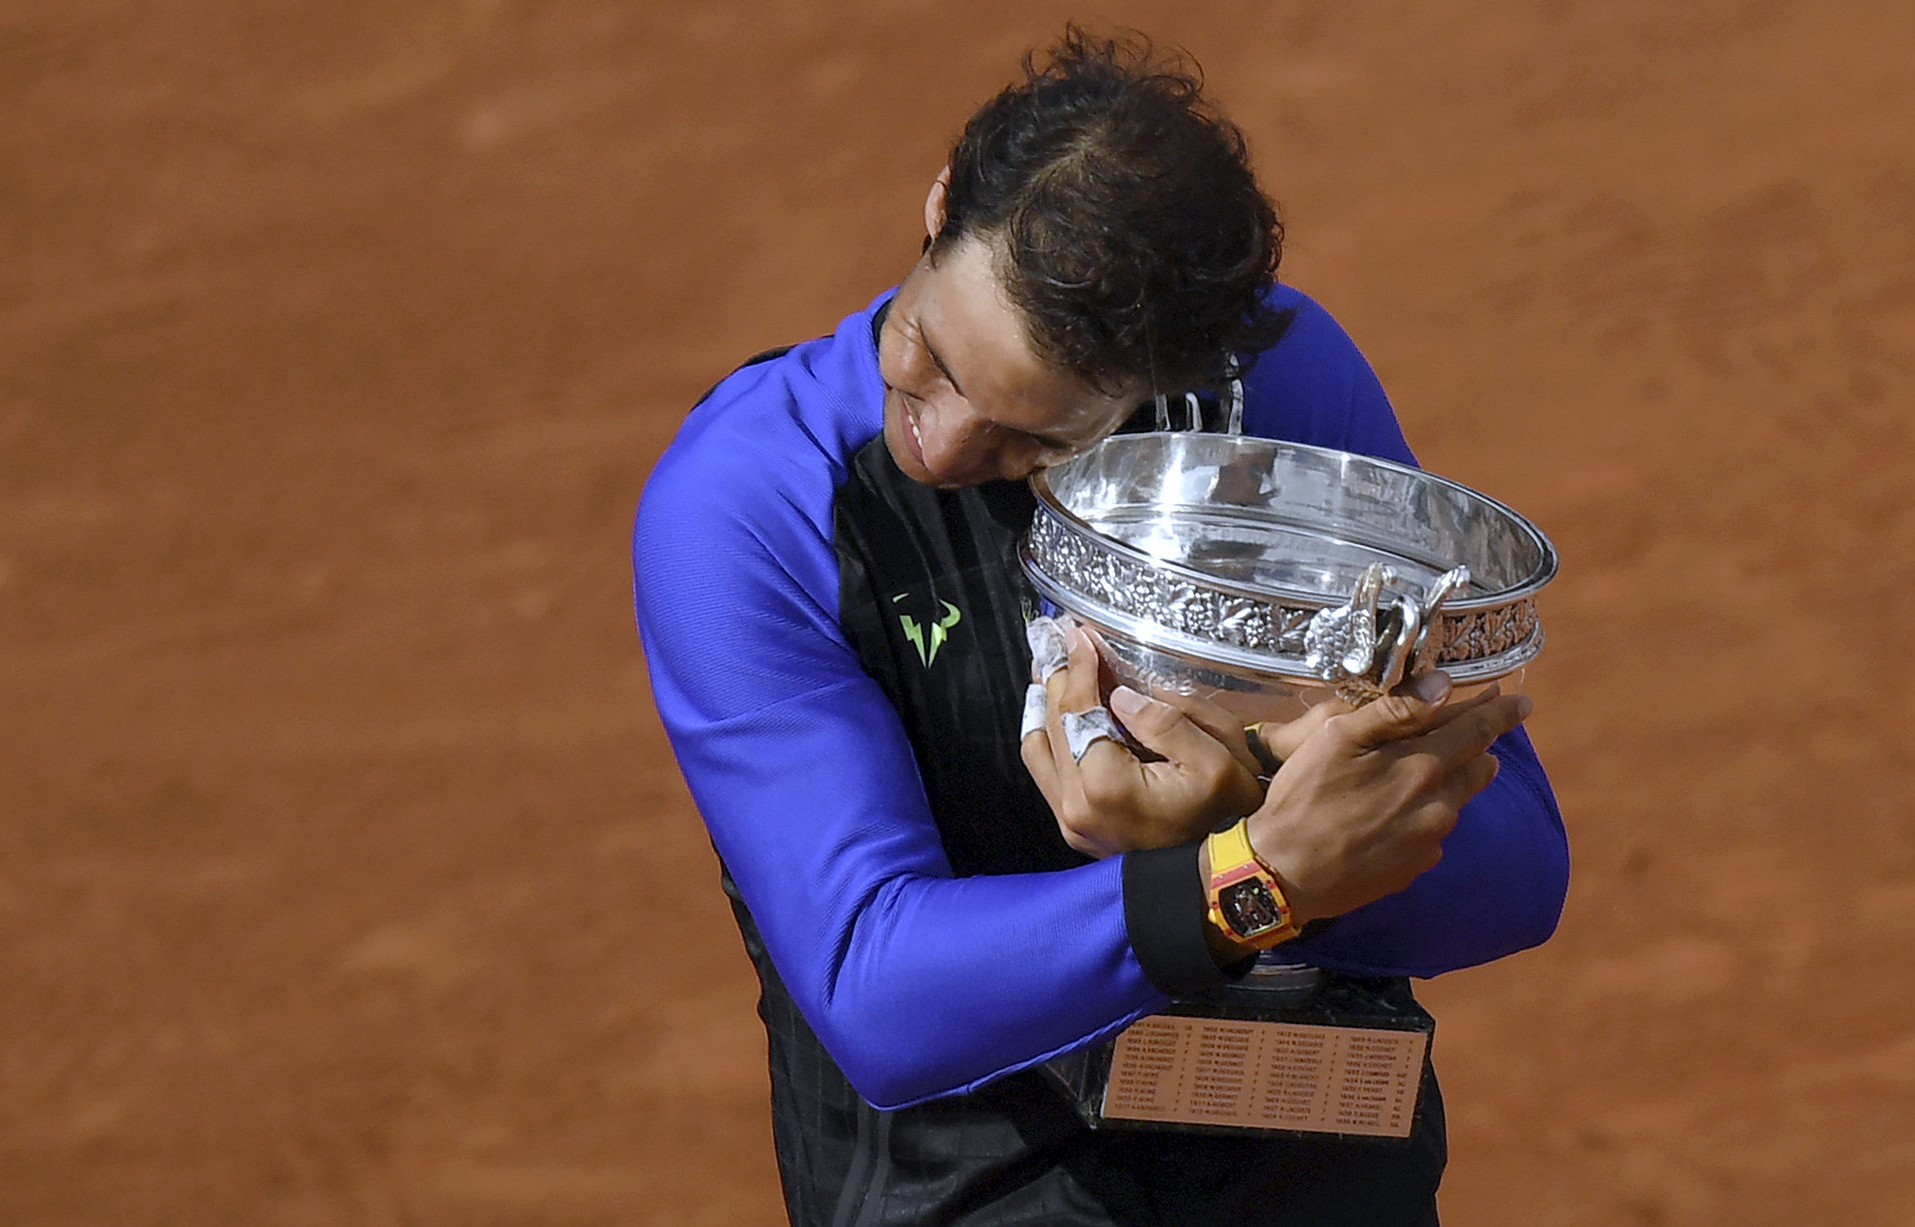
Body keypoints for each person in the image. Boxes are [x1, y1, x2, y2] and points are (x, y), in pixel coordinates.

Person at [633, 30, 1568, 1226]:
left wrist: (1238, 796)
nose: (946, 444)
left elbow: (1518, 874)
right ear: (934, 208)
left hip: (1316, 1165)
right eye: (930, 354)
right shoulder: (751, 501)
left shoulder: (1275, 399)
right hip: (976, 1195)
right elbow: (874, 990)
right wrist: (1250, 877)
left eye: (1041, 438)